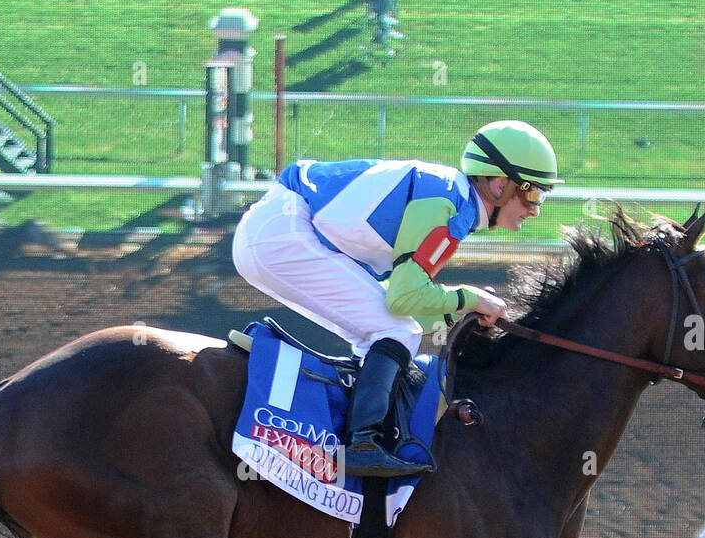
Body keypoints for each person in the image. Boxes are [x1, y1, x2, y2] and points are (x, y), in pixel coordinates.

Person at [232, 120, 564, 477]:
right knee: (395, 329)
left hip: (274, 231)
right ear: (501, 185)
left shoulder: (452, 199)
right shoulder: (447, 203)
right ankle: (361, 444)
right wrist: (470, 299)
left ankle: (352, 429)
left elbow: (402, 296)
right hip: (281, 234)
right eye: (534, 195)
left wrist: (459, 309)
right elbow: (404, 299)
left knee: (386, 331)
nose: (535, 209)